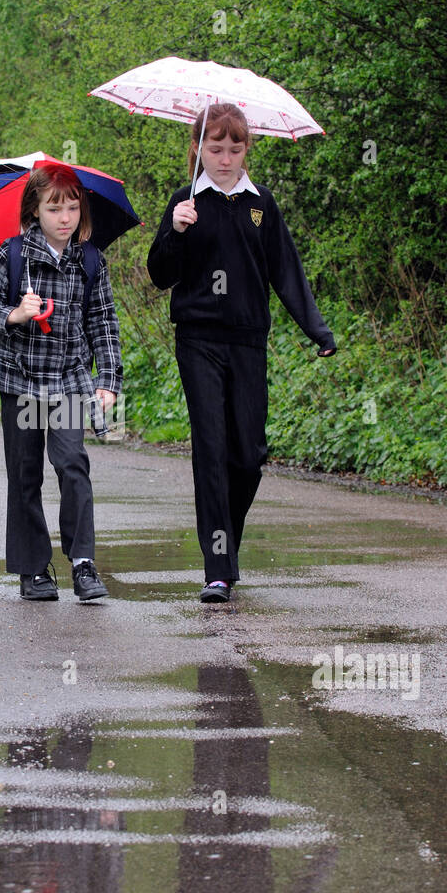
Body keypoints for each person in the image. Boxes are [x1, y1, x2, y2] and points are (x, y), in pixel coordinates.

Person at [147, 102, 336, 604]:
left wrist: (318, 330)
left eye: (234, 148)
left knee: (248, 456)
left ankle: (225, 543)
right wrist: (175, 231)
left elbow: (287, 272)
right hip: (198, 340)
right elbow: (160, 274)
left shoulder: (261, 205)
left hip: (249, 341)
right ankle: (217, 568)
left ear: (247, 148)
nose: (225, 158)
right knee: (211, 447)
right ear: (197, 149)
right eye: (215, 148)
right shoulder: (183, 202)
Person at [0, 164, 122, 601]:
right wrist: (15, 314)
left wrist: (108, 380)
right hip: (18, 380)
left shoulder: (89, 261)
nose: (65, 217)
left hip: (70, 380)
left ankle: (83, 563)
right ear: (35, 210)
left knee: (73, 464)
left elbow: (104, 322)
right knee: (24, 473)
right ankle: (34, 569)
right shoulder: (12, 255)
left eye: (73, 207)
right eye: (54, 208)